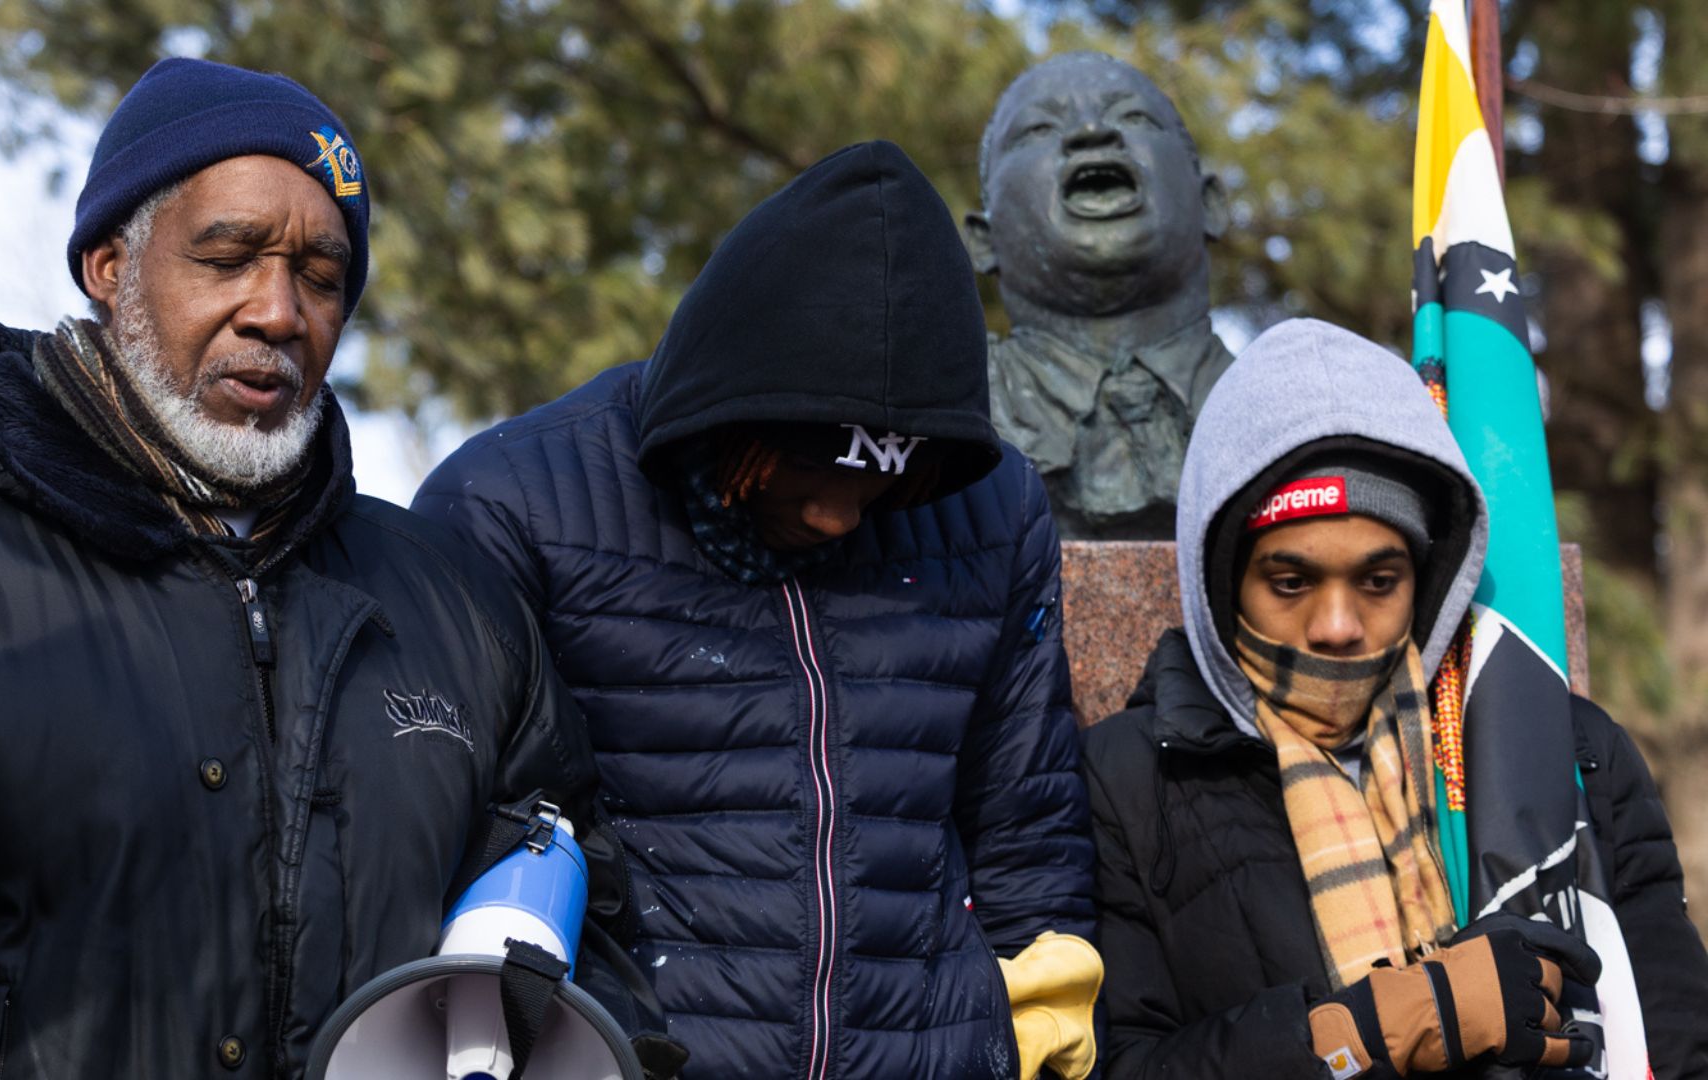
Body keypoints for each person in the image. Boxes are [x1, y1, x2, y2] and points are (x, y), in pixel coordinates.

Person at [0, 57, 658, 1078]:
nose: (278, 312)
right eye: (228, 257)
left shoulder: (457, 604)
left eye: (323, 278)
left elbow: (585, 916)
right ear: (110, 266)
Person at [413, 141, 1100, 1079]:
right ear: (723, 419)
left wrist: (1037, 1037)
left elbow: (1025, 822)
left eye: (884, 483)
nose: (835, 512)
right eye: (807, 465)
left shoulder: (993, 512)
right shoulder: (511, 505)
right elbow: (453, 848)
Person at [1082, 318, 1708, 1077]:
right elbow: (1119, 1065)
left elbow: (1677, 1040)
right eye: (1291, 581)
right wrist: (1374, 1029)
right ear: (1222, 580)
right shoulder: (1127, 782)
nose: (1338, 626)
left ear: (1430, 578)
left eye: (1379, 582)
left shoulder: (1567, 749)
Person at [966, 52, 1235, 540]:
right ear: (983, 241)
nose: (1091, 132)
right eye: (1039, 130)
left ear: (1210, 204)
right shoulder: (952, 420)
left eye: (1133, 117)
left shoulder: (1292, 410)